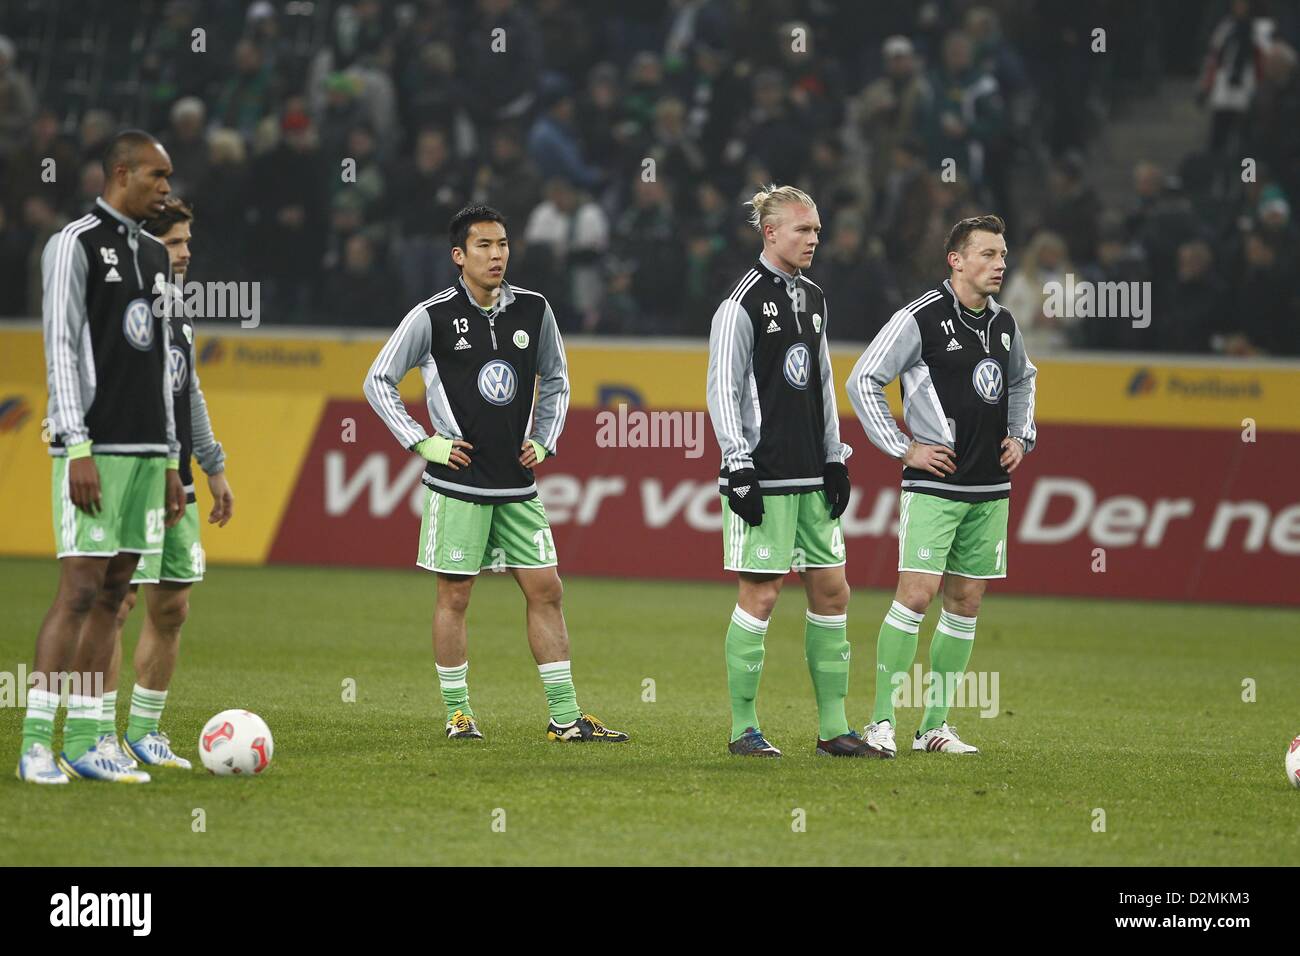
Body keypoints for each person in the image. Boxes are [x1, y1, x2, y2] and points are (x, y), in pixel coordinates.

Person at [363, 204, 627, 743]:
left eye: (503, 244)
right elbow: (378, 380)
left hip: (516, 482)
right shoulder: (431, 316)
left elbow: (556, 379)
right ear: (459, 256)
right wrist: (423, 442)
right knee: (455, 596)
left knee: (547, 589)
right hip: (458, 482)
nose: (496, 255)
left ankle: (564, 717)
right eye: (483, 245)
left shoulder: (534, 310)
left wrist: (545, 440)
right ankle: (459, 714)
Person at [18, 130, 185, 784]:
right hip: (96, 448)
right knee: (79, 589)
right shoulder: (73, 244)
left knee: (116, 594)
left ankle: (88, 739)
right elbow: (58, 345)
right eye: (157, 176)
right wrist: (74, 444)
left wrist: (172, 460)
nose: (167, 188)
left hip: (147, 451)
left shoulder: (153, 254)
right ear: (122, 173)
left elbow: (162, 363)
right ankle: (36, 742)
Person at [847, 214, 1037, 756]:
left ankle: (934, 725)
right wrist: (903, 446)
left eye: (1002, 255)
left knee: (966, 602)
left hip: (988, 488)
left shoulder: (1004, 325)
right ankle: (880, 720)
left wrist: (1022, 437)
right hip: (934, 485)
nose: (999, 264)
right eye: (987, 255)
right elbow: (863, 378)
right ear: (956, 260)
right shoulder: (920, 318)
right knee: (916, 593)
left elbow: (1024, 379)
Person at [705, 185, 878, 759]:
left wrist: (835, 456)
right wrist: (739, 465)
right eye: (802, 230)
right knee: (762, 595)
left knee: (833, 591)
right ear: (770, 232)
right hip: (764, 472)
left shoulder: (814, 298)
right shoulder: (740, 304)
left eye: (818, 230)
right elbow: (722, 391)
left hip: (810, 471)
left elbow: (823, 383)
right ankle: (743, 729)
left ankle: (833, 728)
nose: (813, 240)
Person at [82, 197, 234, 772]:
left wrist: (213, 468)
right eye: (176, 243)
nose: (187, 252)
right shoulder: (117, 310)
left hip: (180, 481)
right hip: (131, 477)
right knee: (115, 605)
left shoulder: (180, 312)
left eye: (188, 241)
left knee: (171, 607)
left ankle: (143, 732)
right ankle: (97, 735)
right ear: (144, 248)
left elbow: (187, 390)